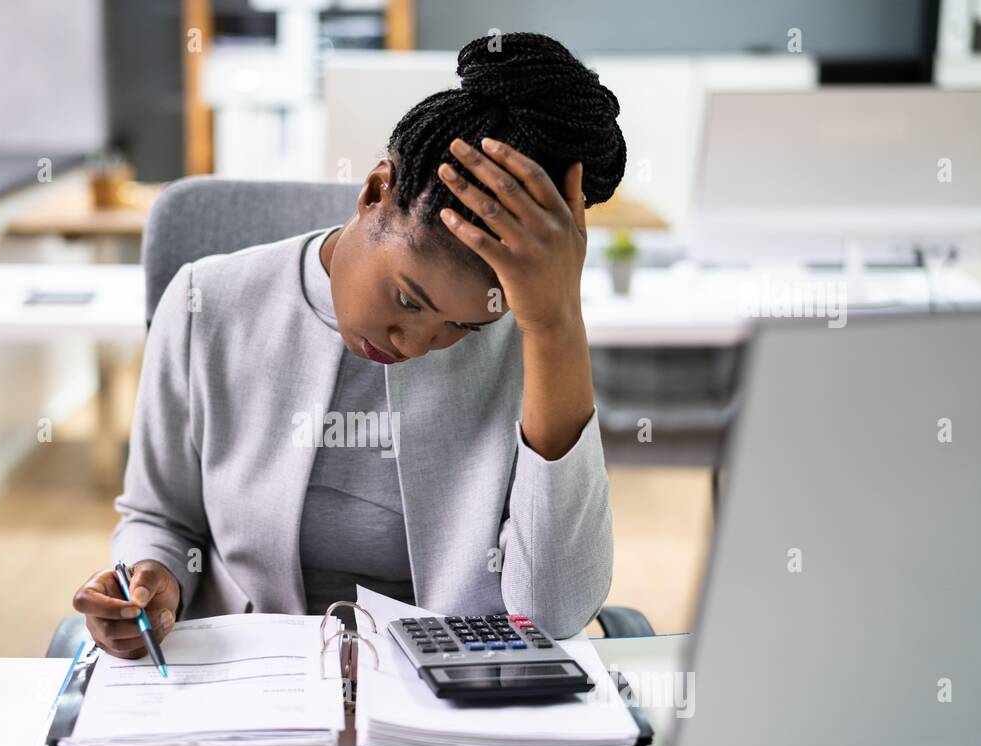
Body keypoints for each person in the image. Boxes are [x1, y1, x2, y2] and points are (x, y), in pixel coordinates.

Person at [74, 32, 626, 659]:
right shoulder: (207, 303)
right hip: (252, 678)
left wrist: (556, 327)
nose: (416, 342)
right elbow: (161, 518)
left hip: (452, 686)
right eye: (409, 300)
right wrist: (152, 580)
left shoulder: (529, 340)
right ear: (373, 192)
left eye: (461, 327)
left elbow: (554, 612)